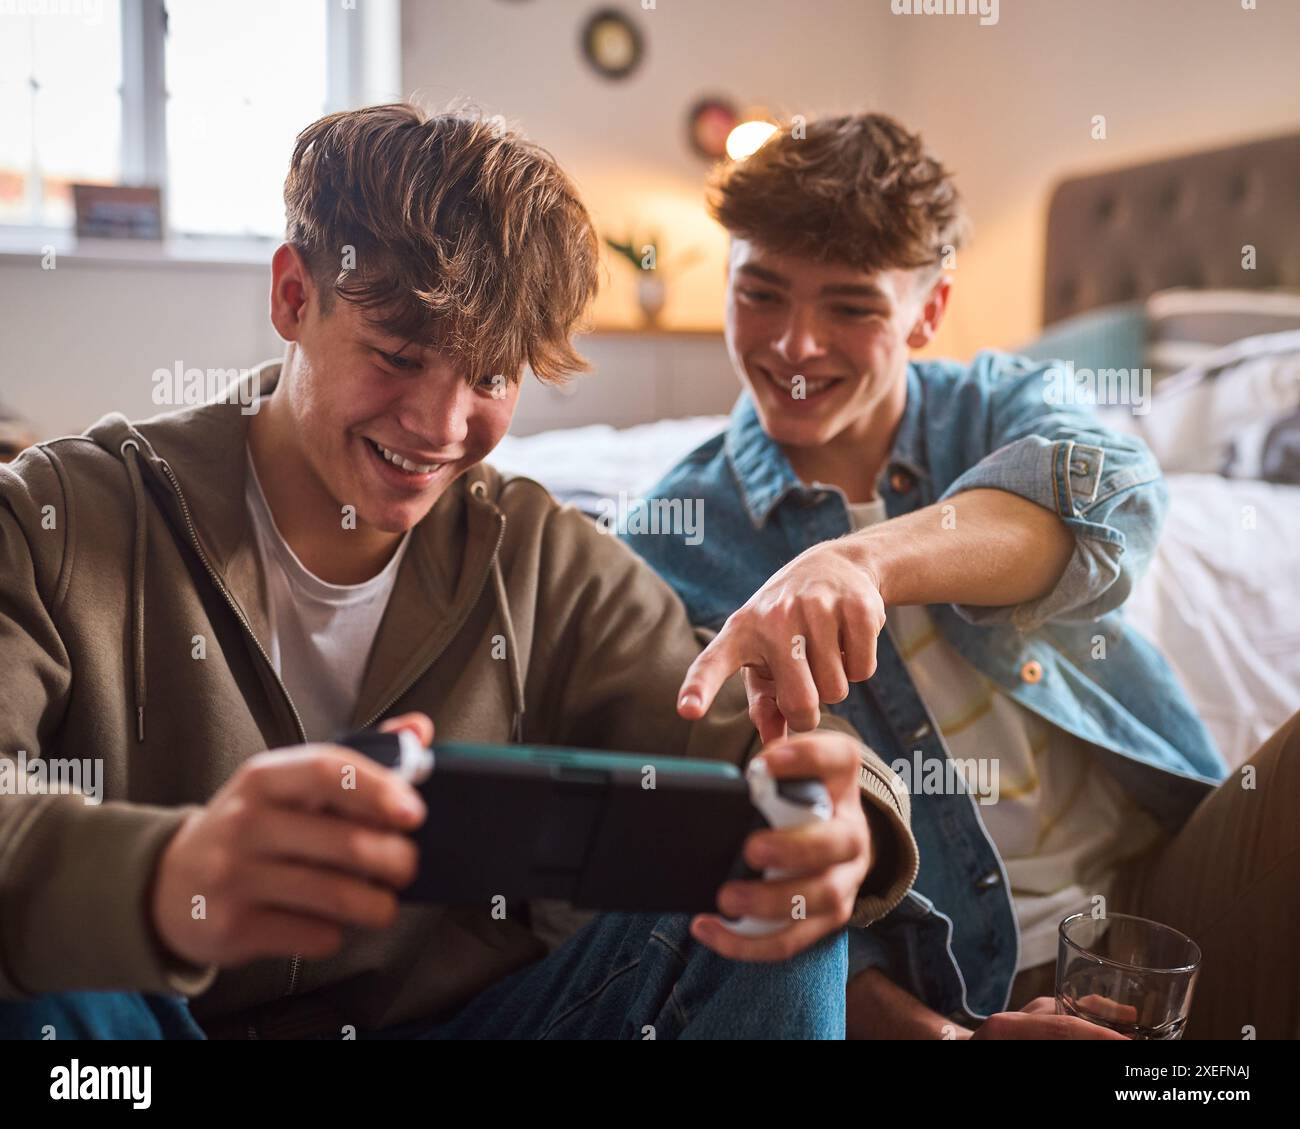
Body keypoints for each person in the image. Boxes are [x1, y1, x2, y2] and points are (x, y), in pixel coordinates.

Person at [0, 105, 919, 1041]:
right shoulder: (58, 520)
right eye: (399, 357)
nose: (443, 428)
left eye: (490, 378)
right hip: (147, 1037)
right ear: (291, 296)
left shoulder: (544, 560)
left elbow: (746, 749)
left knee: (776, 899)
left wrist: (843, 822)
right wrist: (170, 877)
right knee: (41, 972)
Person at [625, 112, 1300, 1040]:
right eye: (762, 294)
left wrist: (858, 560)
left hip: (1162, 884)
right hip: (950, 973)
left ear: (928, 309)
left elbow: (1119, 504)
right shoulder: (675, 541)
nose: (793, 346)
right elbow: (773, 889)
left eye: (851, 307)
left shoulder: (999, 403)